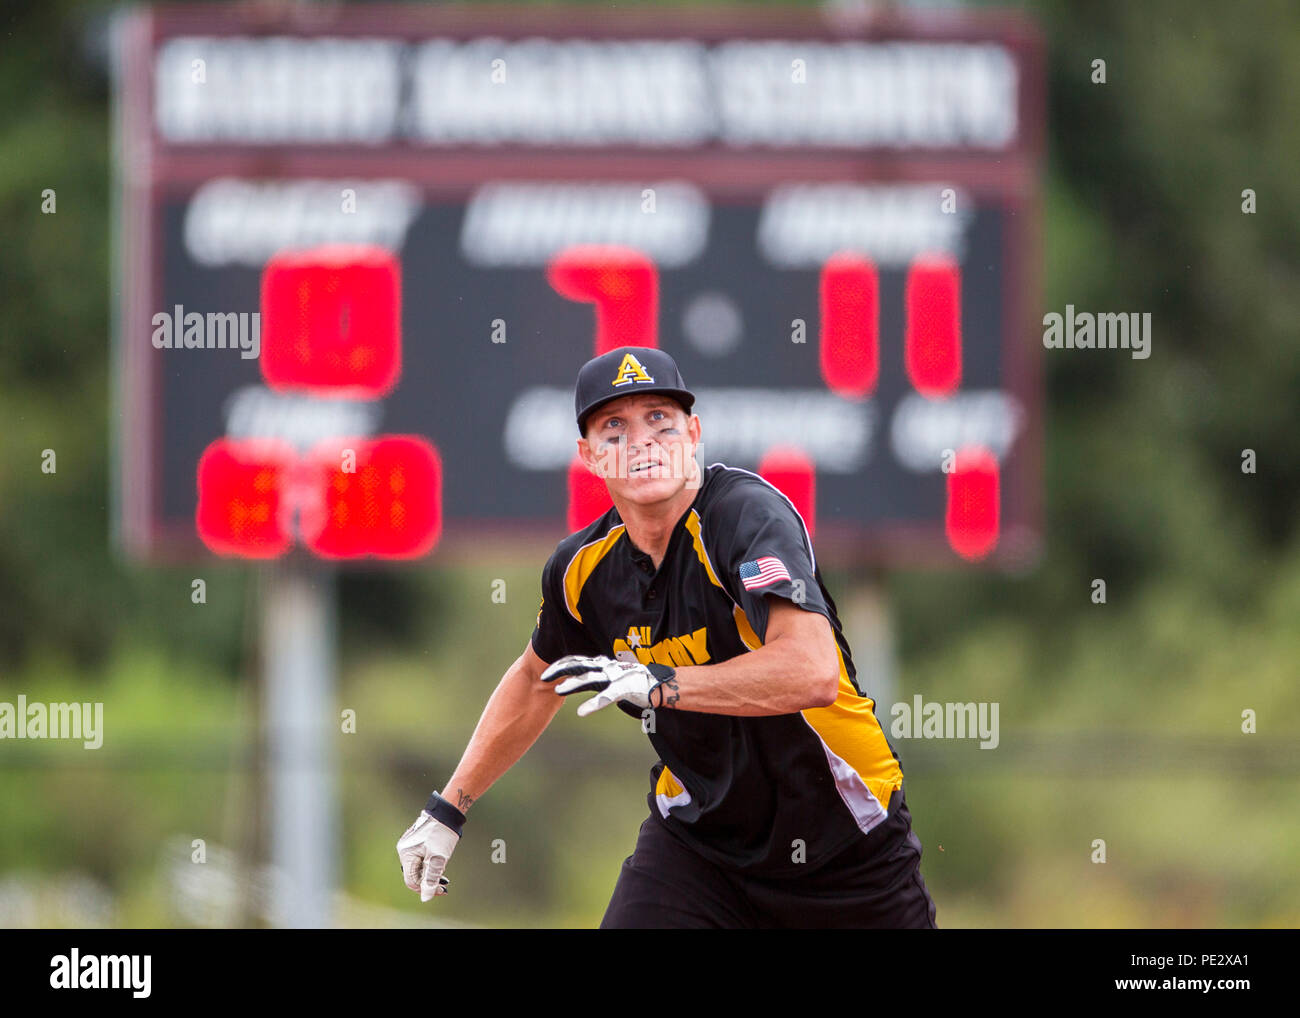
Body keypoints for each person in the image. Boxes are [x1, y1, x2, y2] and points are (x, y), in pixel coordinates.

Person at [398, 345, 937, 928]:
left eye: (660, 418)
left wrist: (661, 682)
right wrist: (449, 807)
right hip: (700, 848)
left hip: (843, 843)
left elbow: (812, 672)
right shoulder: (582, 569)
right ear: (588, 456)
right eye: (614, 427)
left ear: (694, 433)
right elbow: (536, 680)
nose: (642, 440)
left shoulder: (743, 517)